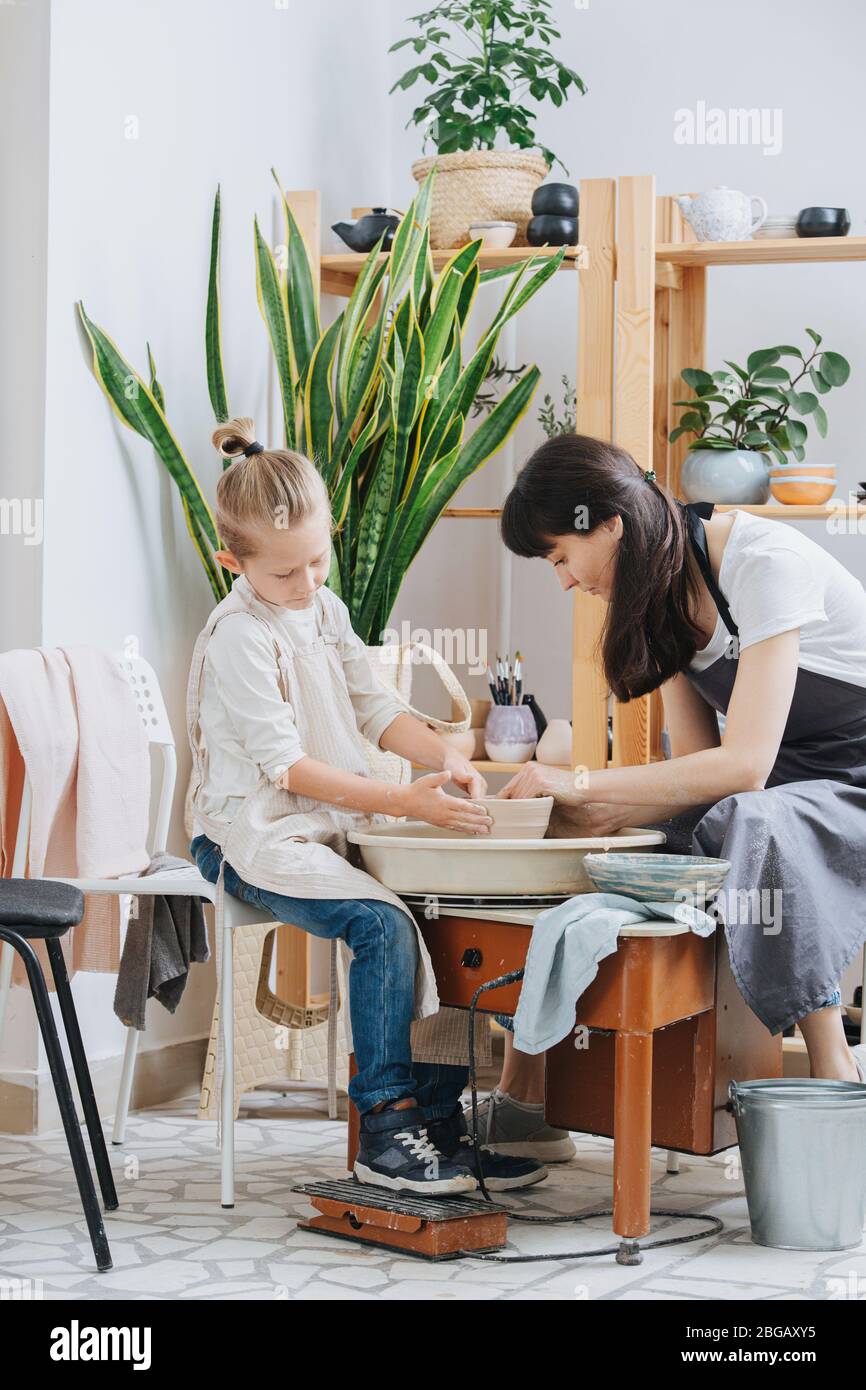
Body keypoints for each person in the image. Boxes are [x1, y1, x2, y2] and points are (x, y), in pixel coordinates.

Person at [187, 416, 547, 1195]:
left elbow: (378, 712)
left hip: (323, 831)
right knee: (381, 923)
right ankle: (385, 1127)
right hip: (249, 839)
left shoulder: (326, 611)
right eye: (285, 574)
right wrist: (404, 801)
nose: (308, 583)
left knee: (441, 911)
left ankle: (440, 1119)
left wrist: (447, 754)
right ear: (232, 561)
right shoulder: (238, 638)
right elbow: (287, 767)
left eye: (318, 560)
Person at [485, 433, 866, 1109]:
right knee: (609, 837)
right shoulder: (662, 603)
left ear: (610, 525)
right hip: (781, 787)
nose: (566, 579)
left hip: (843, 784)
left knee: (756, 819)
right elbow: (695, 776)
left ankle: (832, 1064)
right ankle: (527, 1097)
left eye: (561, 555)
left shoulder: (762, 561)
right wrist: (578, 816)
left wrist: (579, 780)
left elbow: (744, 768)